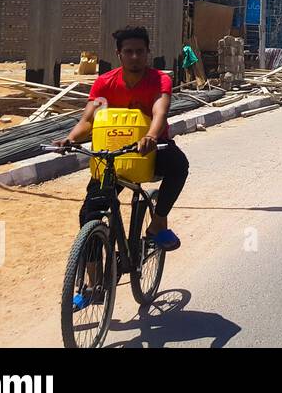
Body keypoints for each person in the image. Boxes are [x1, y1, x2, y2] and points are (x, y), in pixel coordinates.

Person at [57, 25, 189, 252]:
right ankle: (92, 280)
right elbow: (89, 120)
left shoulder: (159, 80)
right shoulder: (105, 83)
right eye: (128, 51)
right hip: (113, 153)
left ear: (148, 52)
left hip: (152, 148)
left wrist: (150, 137)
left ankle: (158, 224)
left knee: (179, 165)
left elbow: (160, 112)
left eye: (140, 51)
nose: (135, 57)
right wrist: (70, 139)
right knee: (89, 213)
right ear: (119, 54)